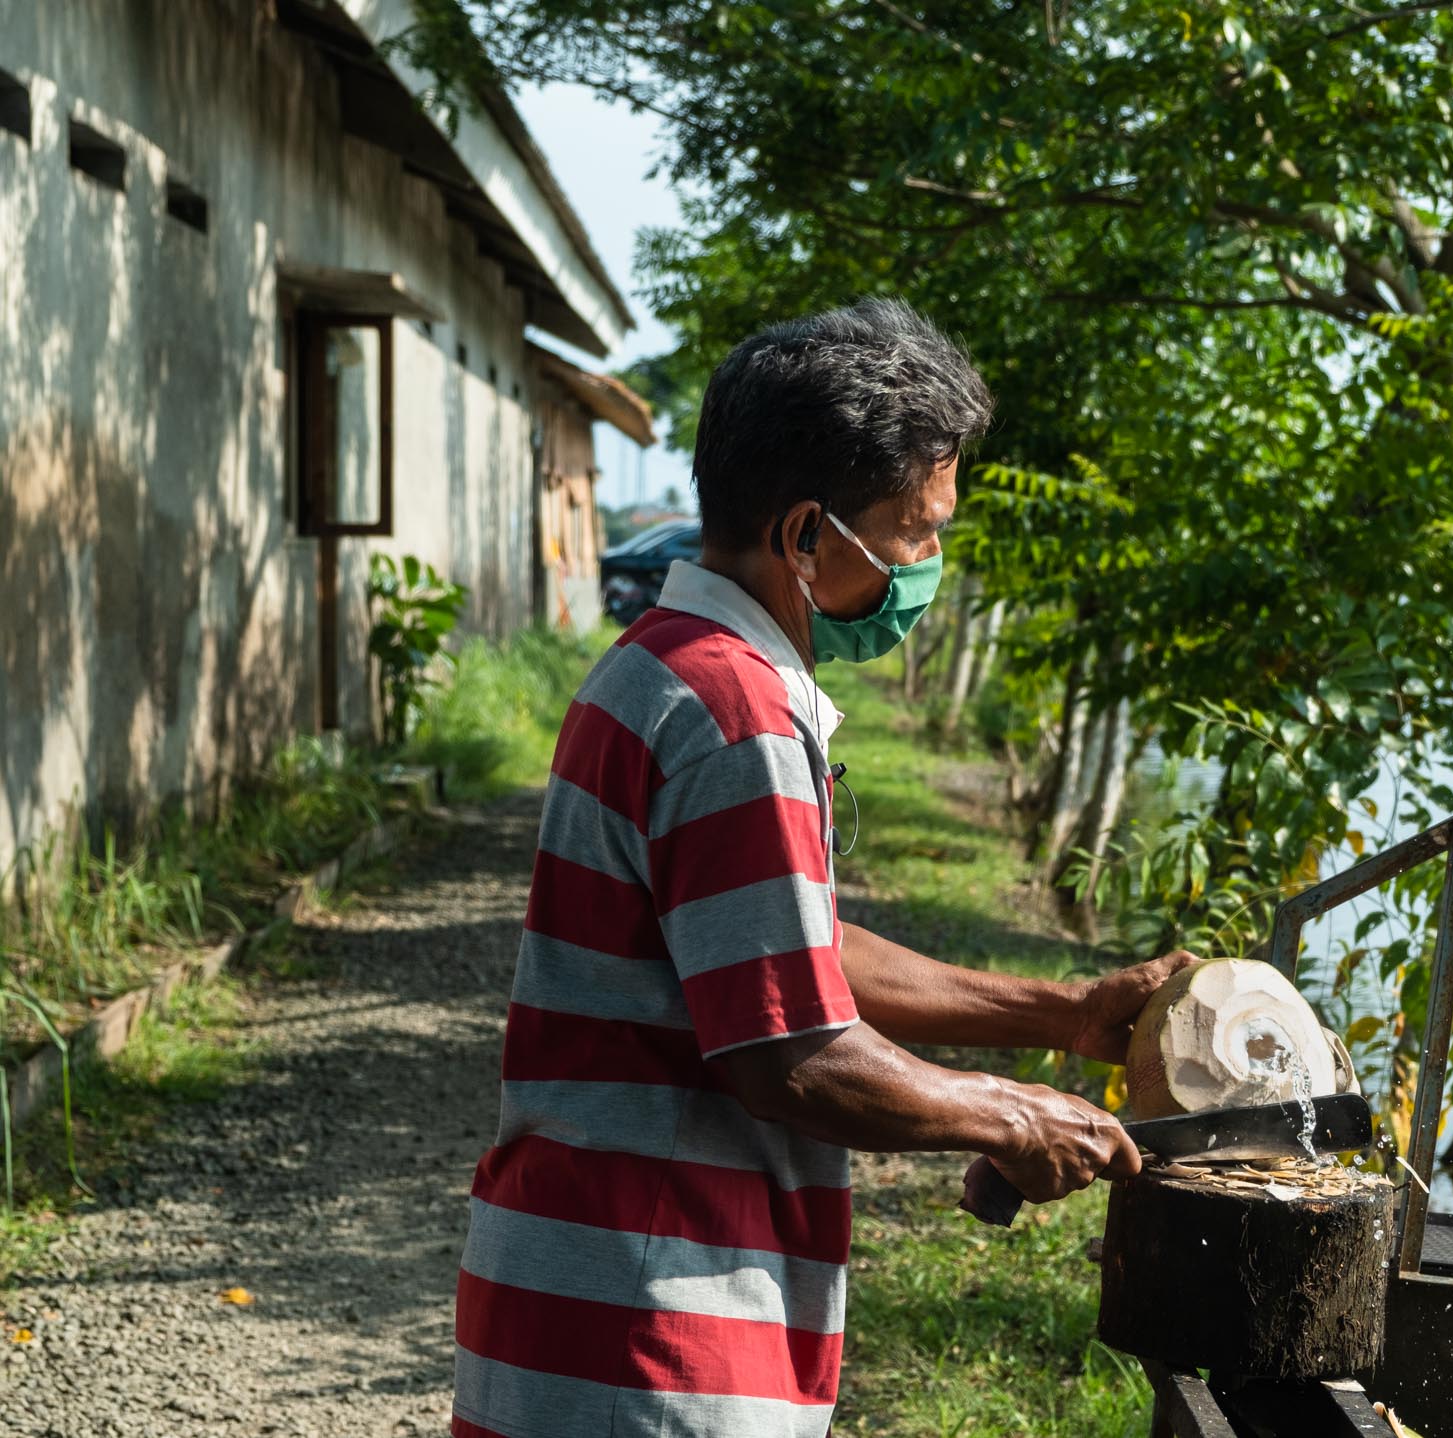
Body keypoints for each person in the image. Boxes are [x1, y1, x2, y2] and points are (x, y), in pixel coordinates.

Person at [451, 298, 1196, 1438]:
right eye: (912, 530)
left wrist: (1059, 1011)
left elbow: (778, 952)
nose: (926, 564)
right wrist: (1007, 1117)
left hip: (588, 1295)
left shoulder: (661, 667)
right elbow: (787, 1051)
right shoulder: (734, 713)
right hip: (656, 1328)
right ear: (805, 535)